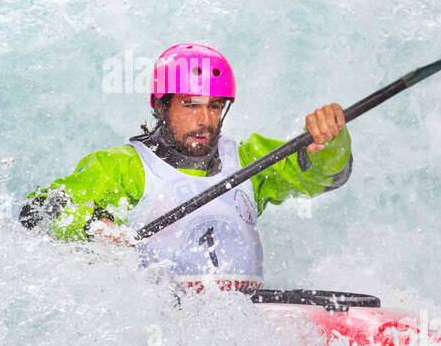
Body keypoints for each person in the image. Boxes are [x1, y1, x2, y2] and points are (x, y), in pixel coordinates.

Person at [20, 43, 352, 291]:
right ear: (160, 105)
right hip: (162, 328)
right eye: (190, 105)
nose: (205, 120)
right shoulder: (126, 167)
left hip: (245, 321)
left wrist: (327, 143)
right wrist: (95, 226)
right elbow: (36, 212)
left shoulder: (250, 161)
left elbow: (328, 177)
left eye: (214, 106)